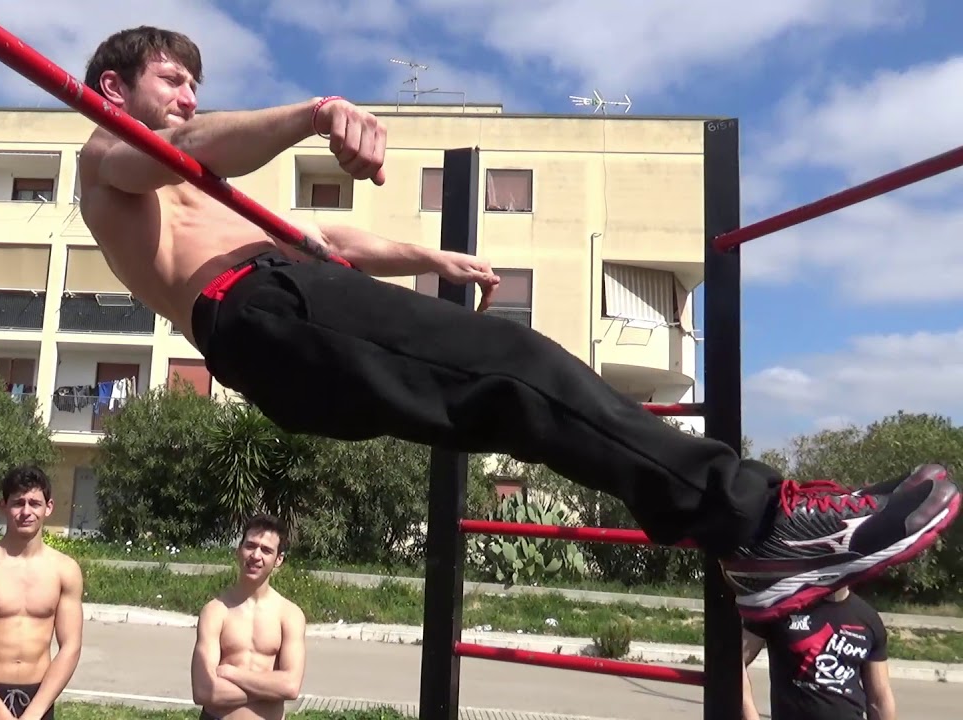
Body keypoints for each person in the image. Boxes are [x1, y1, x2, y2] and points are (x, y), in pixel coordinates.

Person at [75, 26, 961, 623]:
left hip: (276, 320)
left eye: (197, 83)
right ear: (116, 86)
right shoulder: (107, 151)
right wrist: (313, 113)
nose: (190, 95)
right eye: (174, 78)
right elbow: (178, 153)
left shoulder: (198, 190)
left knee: (514, 391)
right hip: (256, 310)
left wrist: (434, 260)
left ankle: (751, 543)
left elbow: (322, 236)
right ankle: (760, 525)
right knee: (516, 365)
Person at [0, 466, 85, 720]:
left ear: (49, 507)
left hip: (37, 702)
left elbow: (71, 647)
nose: (26, 512)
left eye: (35, 503)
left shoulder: (65, 570)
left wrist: (35, 712)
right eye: (18, 503)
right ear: (3, 506)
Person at [190, 514, 307, 720]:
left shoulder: (290, 615)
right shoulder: (215, 611)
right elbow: (203, 691)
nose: (256, 555)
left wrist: (231, 673)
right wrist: (269, 690)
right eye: (250, 546)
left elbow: (290, 687)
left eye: (266, 550)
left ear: (278, 559)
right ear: (239, 550)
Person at [740, 586, 896, 720]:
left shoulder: (867, 618)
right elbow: (734, 663)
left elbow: (879, 696)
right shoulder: (782, 606)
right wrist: (750, 715)